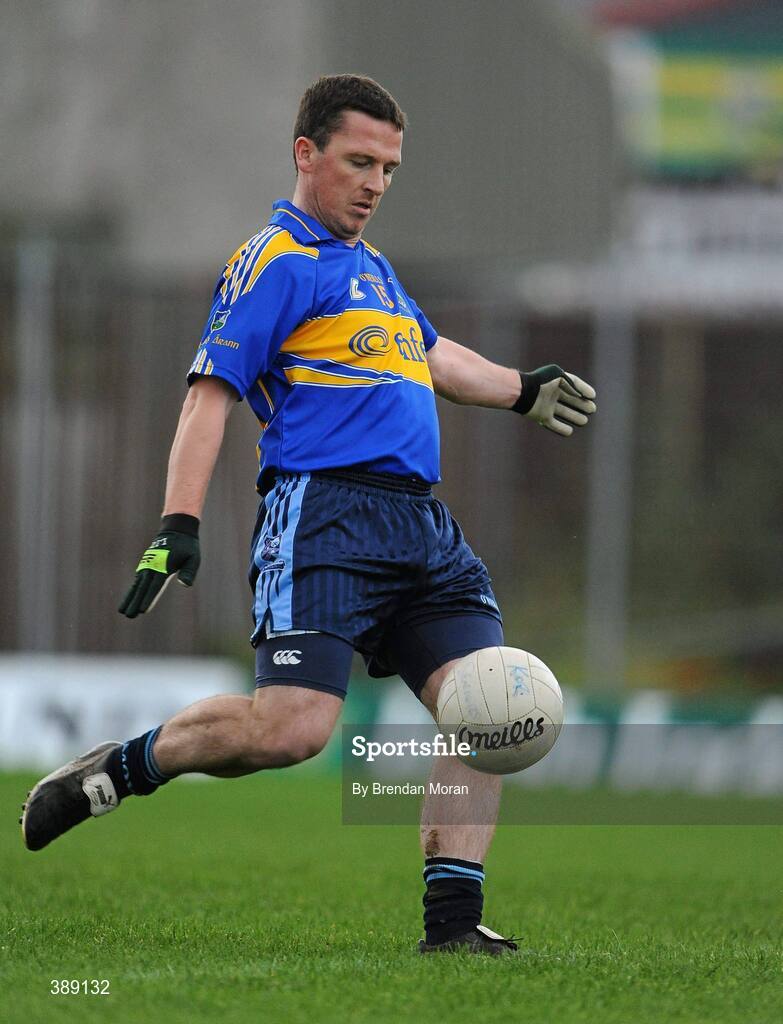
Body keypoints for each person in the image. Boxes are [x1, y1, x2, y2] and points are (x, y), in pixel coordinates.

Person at [21, 75, 596, 955]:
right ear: (306, 154)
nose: (375, 183)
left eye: (390, 168)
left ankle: (452, 931)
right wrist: (178, 522)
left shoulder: (371, 268)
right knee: (292, 731)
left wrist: (521, 390)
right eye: (359, 161)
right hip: (325, 515)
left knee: (489, 709)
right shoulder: (275, 259)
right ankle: (118, 770)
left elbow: (433, 355)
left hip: (421, 527)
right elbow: (207, 396)